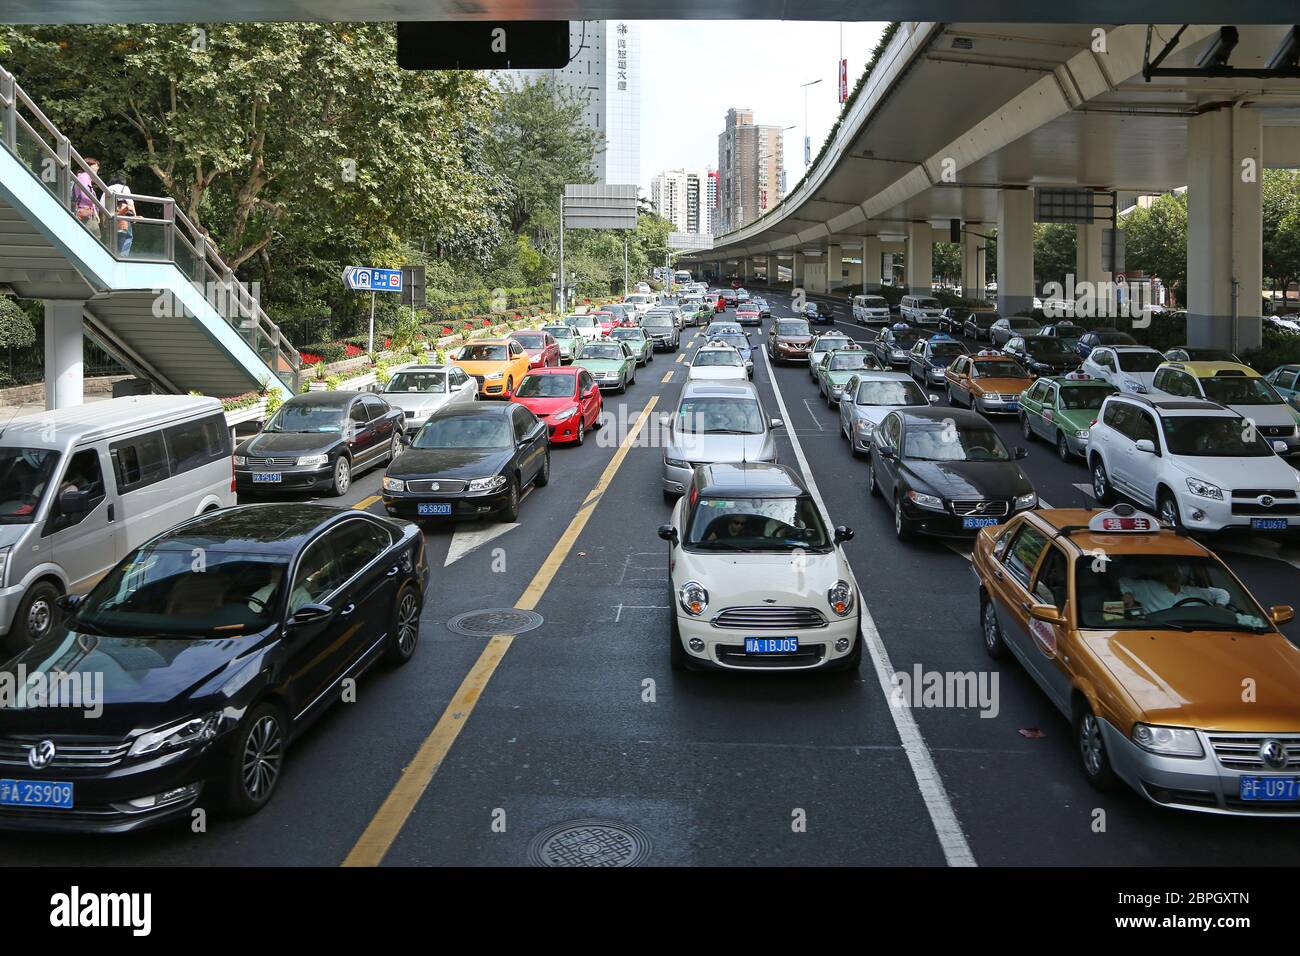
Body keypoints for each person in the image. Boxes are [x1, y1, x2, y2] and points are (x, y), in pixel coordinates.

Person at [1119, 564, 1229, 614]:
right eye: (1169, 573)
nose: (1174, 576)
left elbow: (1221, 593)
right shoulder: (1149, 588)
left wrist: (1219, 607)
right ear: (1163, 576)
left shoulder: (1194, 591)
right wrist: (1128, 593)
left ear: (1182, 575)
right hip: (1156, 633)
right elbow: (1123, 581)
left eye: (1177, 573)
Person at [106, 172, 136, 256]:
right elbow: (130, 203)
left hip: (110, 215)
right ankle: (123, 255)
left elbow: (102, 203)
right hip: (123, 215)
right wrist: (134, 216)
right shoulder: (125, 188)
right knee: (127, 236)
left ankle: (112, 255)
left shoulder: (107, 188)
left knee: (112, 236)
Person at [73, 157, 100, 233]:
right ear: (88, 166)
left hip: (88, 211)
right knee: (94, 235)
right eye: (95, 165)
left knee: (95, 235)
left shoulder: (86, 178)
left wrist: (95, 212)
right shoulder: (83, 177)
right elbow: (85, 195)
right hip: (85, 210)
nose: (97, 167)